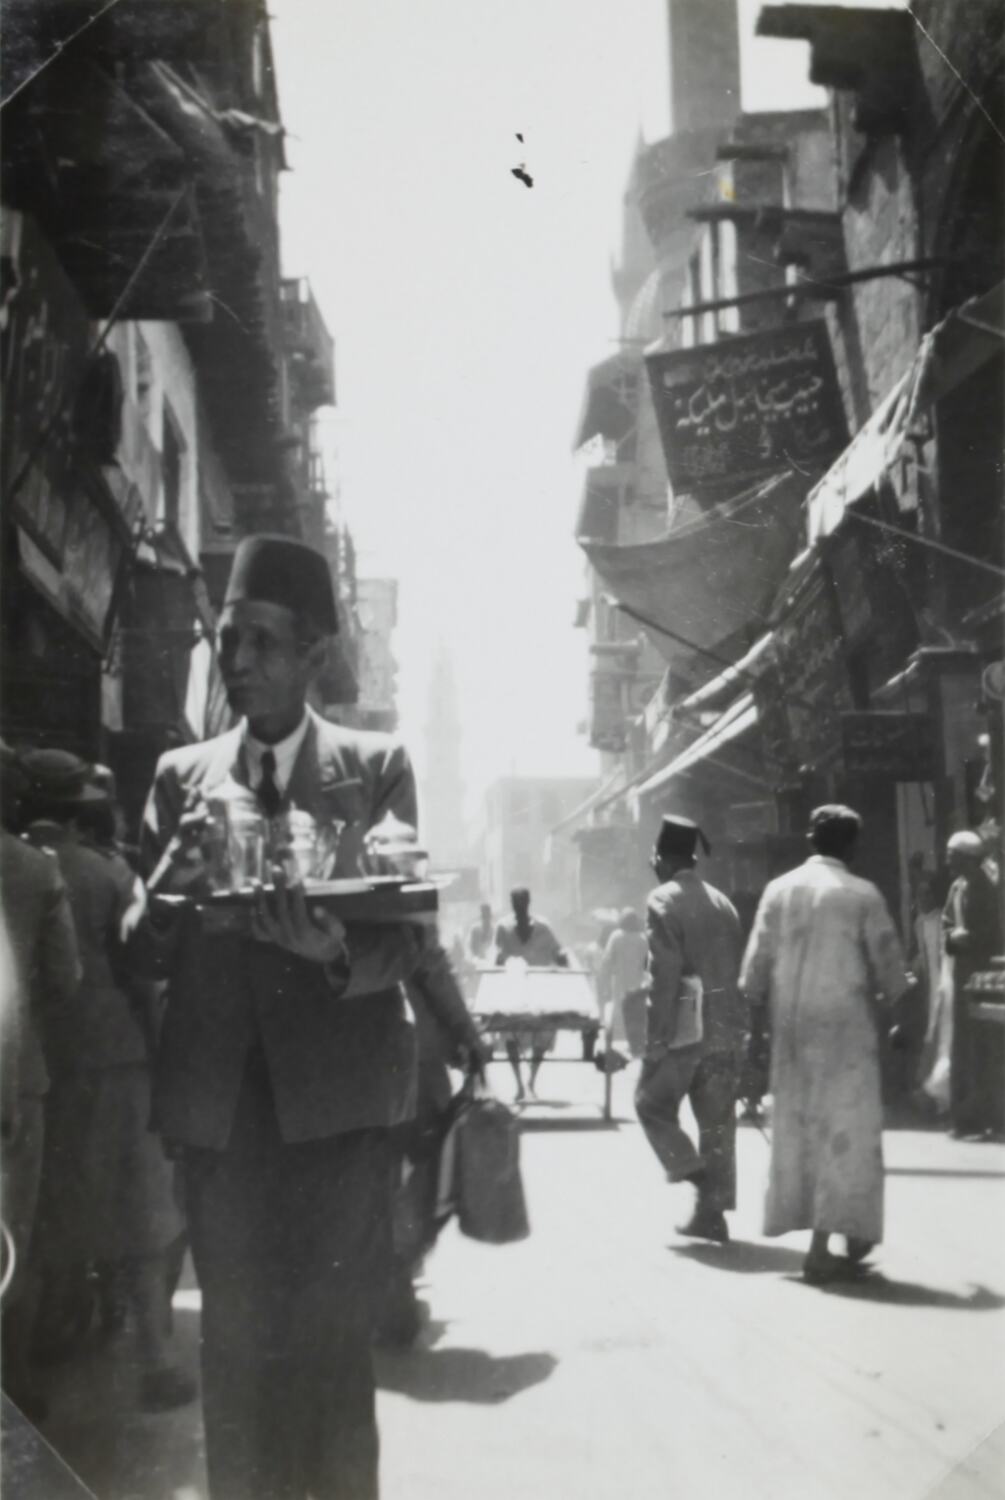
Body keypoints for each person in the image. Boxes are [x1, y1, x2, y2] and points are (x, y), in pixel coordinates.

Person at [138, 534, 425, 1500]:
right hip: (222, 1124)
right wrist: (167, 881)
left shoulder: (375, 768)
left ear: (313, 655)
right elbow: (134, 954)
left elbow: (408, 936)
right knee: (235, 1355)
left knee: (333, 1357)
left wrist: (332, 952)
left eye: (262, 642)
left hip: (338, 1120)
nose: (241, 664)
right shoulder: (181, 779)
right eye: (228, 642)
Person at [18, 749, 193, 1411]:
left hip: (36, 1064)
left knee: (42, 1213)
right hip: (116, 1061)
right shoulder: (110, 873)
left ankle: (31, 1358)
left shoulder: (21, 864)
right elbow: (146, 978)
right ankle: (155, 1360)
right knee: (141, 1212)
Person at [740, 805, 908, 1284]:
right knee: (846, 1130)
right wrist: (899, 1021)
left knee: (800, 1131)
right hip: (846, 1029)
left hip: (790, 1028)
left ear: (812, 841)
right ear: (851, 846)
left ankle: (838, 1234)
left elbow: (754, 973)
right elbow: (890, 969)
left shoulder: (778, 890)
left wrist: (756, 1033)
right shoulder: (862, 895)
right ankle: (826, 1243)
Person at [0, 748, 81, 1420]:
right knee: (12, 1235)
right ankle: (14, 1382)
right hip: (15, 1079)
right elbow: (67, 978)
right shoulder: (35, 869)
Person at [634, 816, 748, 1245]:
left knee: (650, 1105)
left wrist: (655, 1042)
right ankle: (712, 1214)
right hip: (726, 1029)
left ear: (662, 860)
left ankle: (692, 1172)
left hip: (684, 1033)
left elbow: (664, 978)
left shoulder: (662, 901)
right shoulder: (723, 902)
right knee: (717, 1124)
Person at [942, 831, 1004, 1139]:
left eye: (953, 855)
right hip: (961, 971)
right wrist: (952, 937)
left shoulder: (986, 888)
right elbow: (947, 923)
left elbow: (991, 931)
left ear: (967, 858)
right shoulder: (957, 886)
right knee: (962, 1046)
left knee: (982, 1048)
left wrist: (970, 939)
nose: (948, 861)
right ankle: (964, 1119)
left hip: (981, 972)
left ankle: (985, 1117)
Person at [494, 886, 568, 1102]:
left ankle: (532, 1080)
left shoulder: (543, 927)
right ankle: (518, 1083)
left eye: (522, 902)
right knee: (509, 1034)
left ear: (528, 903)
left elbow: (558, 951)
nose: (518, 906)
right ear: (511, 904)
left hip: (540, 990)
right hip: (513, 990)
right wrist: (500, 963)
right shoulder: (503, 928)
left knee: (543, 1033)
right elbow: (497, 956)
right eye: (515, 902)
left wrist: (562, 958)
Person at [597, 908, 648, 1059]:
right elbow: (647, 961)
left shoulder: (616, 936)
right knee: (636, 1011)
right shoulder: (642, 938)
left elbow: (607, 959)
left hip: (619, 979)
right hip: (637, 981)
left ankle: (619, 1038)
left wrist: (604, 977)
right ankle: (634, 1042)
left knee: (619, 1007)